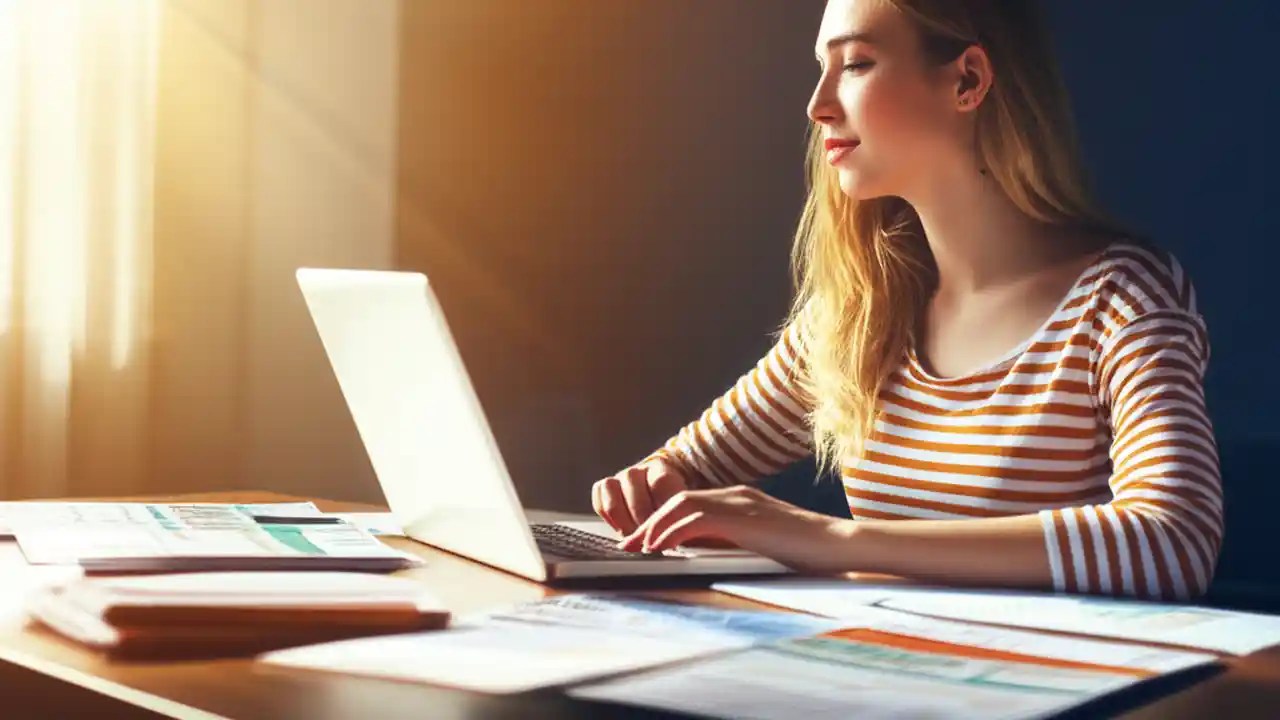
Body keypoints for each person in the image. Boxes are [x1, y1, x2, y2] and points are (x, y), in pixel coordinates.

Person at [591, 0, 1220, 601]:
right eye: (821, 68)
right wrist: (649, 487)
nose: (817, 106)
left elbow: (1174, 540)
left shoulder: (1121, 299)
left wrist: (831, 540)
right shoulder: (860, 311)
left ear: (967, 80)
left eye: (856, 64)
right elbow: (687, 467)